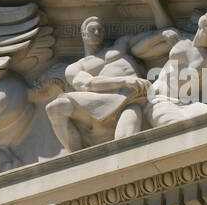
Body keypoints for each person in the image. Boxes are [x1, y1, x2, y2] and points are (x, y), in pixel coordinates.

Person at [46, 15, 148, 152]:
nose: (96, 33)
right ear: (83, 33)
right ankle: (75, 156)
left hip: (128, 100)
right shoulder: (75, 67)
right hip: (97, 101)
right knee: (54, 107)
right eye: (92, 29)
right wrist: (124, 80)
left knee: (124, 144)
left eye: (100, 30)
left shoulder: (119, 47)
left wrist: (154, 2)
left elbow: (157, 35)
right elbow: (86, 84)